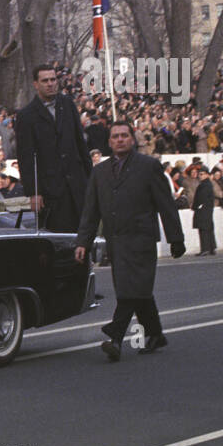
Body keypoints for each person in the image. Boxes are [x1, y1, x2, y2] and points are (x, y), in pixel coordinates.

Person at [74, 120, 185, 362]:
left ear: (132, 139)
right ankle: (155, 334)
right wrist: (83, 241)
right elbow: (90, 211)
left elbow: (166, 205)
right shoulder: (99, 172)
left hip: (142, 238)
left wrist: (176, 238)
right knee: (137, 289)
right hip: (117, 241)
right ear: (109, 141)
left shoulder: (149, 166)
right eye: (115, 136)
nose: (120, 140)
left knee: (130, 289)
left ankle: (115, 334)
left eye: (124, 135)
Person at [16, 65, 92, 233]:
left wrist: (91, 180)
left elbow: (80, 144)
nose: (50, 84)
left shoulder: (68, 105)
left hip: (78, 185)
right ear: (35, 84)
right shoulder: (26, 116)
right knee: (59, 242)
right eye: (45, 81)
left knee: (84, 238)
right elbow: (26, 158)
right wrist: (33, 192)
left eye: (53, 80)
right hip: (51, 191)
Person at [192, 165, 217, 256]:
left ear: (207, 175)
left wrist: (196, 206)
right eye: (199, 174)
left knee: (204, 229)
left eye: (202, 174)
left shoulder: (205, 185)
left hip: (203, 210)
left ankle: (205, 248)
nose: (200, 176)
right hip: (207, 210)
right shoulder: (206, 184)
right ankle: (211, 247)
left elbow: (201, 198)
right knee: (208, 228)